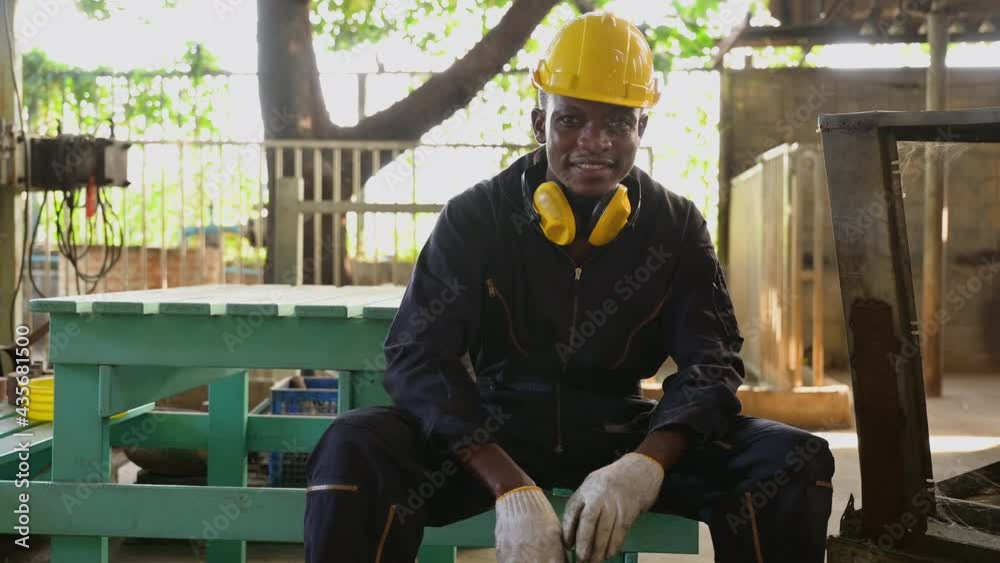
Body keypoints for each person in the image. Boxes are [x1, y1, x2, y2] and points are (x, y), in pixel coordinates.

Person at [305, 11, 834, 563]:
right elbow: (418, 356)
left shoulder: (675, 225)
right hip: (494, 432)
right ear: (540, 123)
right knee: (355, 445)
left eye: (618, 123)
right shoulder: (476, 216)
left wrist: (645, 464)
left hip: (621, 436)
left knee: (790, 459)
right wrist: (509, 486)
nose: (594, 142)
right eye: (571, 120)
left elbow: (713, 364)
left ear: (641, 130)